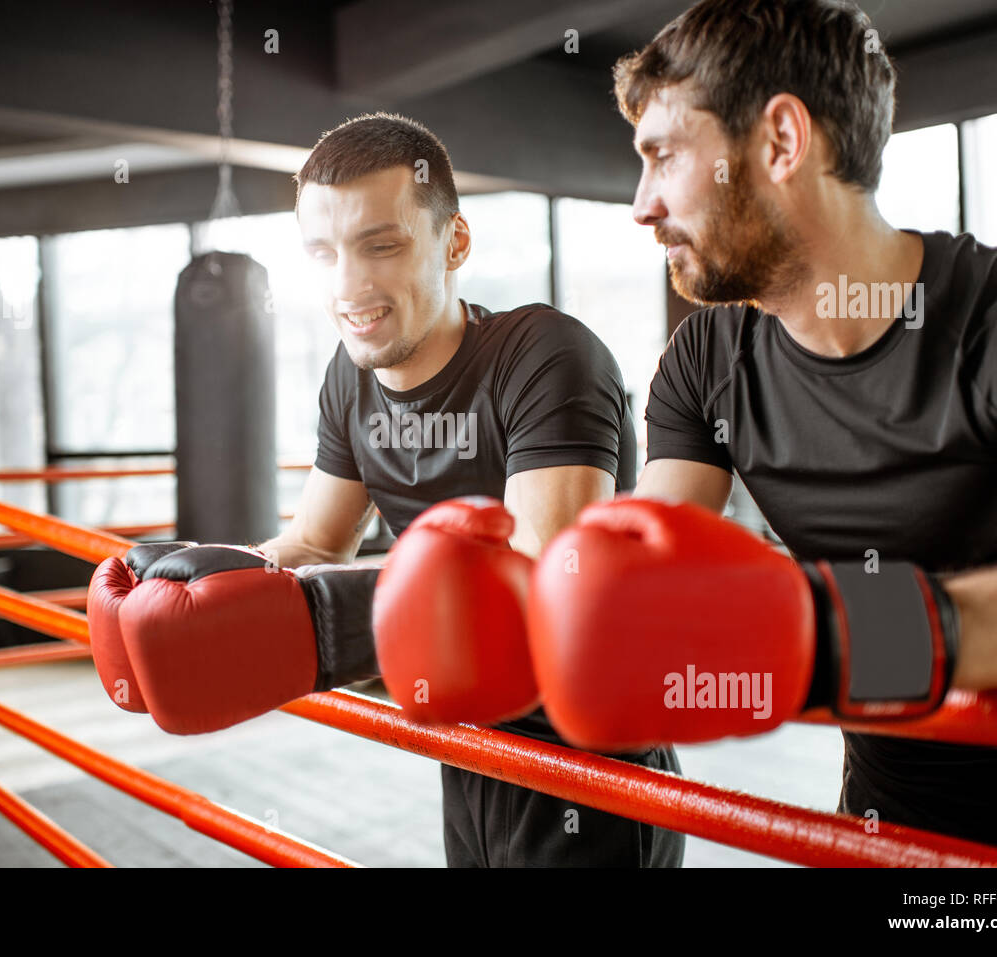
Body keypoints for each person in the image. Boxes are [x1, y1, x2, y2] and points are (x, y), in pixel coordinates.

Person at [391, 0, 997, 861]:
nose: (642, 205)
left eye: (663, 157)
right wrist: (330, 613)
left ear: (782, 142)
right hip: (882, 820)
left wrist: (823, 632)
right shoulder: (704, 360)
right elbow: (632, 584)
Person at [89, 112, 684, 867]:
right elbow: (313, 541)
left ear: (454, 243)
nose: (350, 284)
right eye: (324, 252)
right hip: (468, 736)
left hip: (586, 752)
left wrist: (324, 628)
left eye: (382, 244)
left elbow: (538, 580)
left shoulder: (545, 355)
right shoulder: (352, 377)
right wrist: (206, 587)